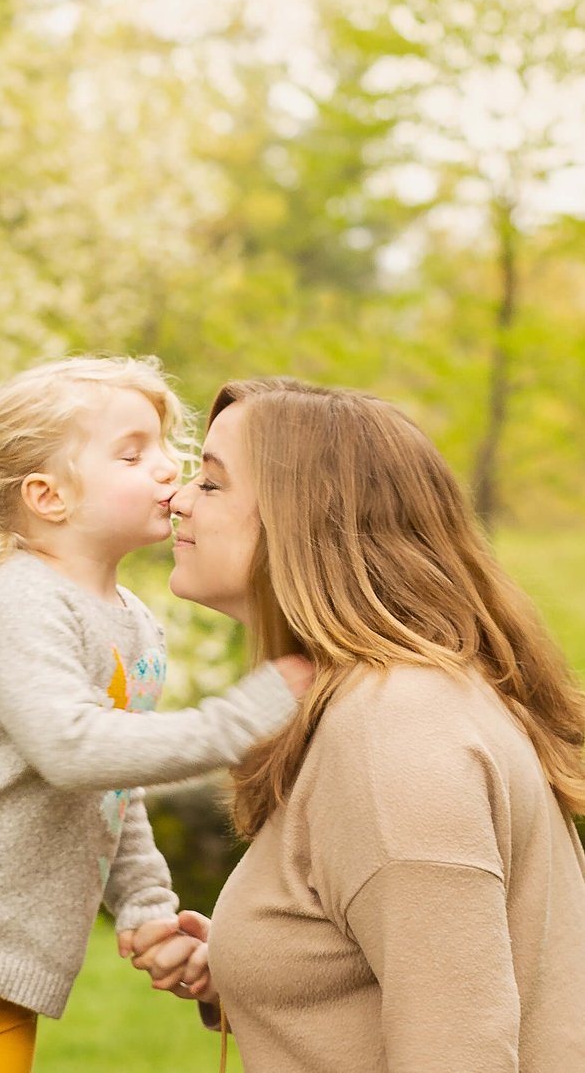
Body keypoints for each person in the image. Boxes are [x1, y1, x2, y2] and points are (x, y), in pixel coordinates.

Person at [0, 356, 311, 1073]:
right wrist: (243, 716)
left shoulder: (137, 627)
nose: (171, 470)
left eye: (168, 447)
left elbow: (110, 785)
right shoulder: (19, 600)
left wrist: (144, 900)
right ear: (49, 497)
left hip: (12, 969)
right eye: (133, 453)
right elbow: (73, 749)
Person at [123, 375, 585, 1072]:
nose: (179, 499)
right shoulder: (390, 705)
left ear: (305, 520)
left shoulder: (396, 734)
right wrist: (251, 961)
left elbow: (457, 1052)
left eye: (212, 484)